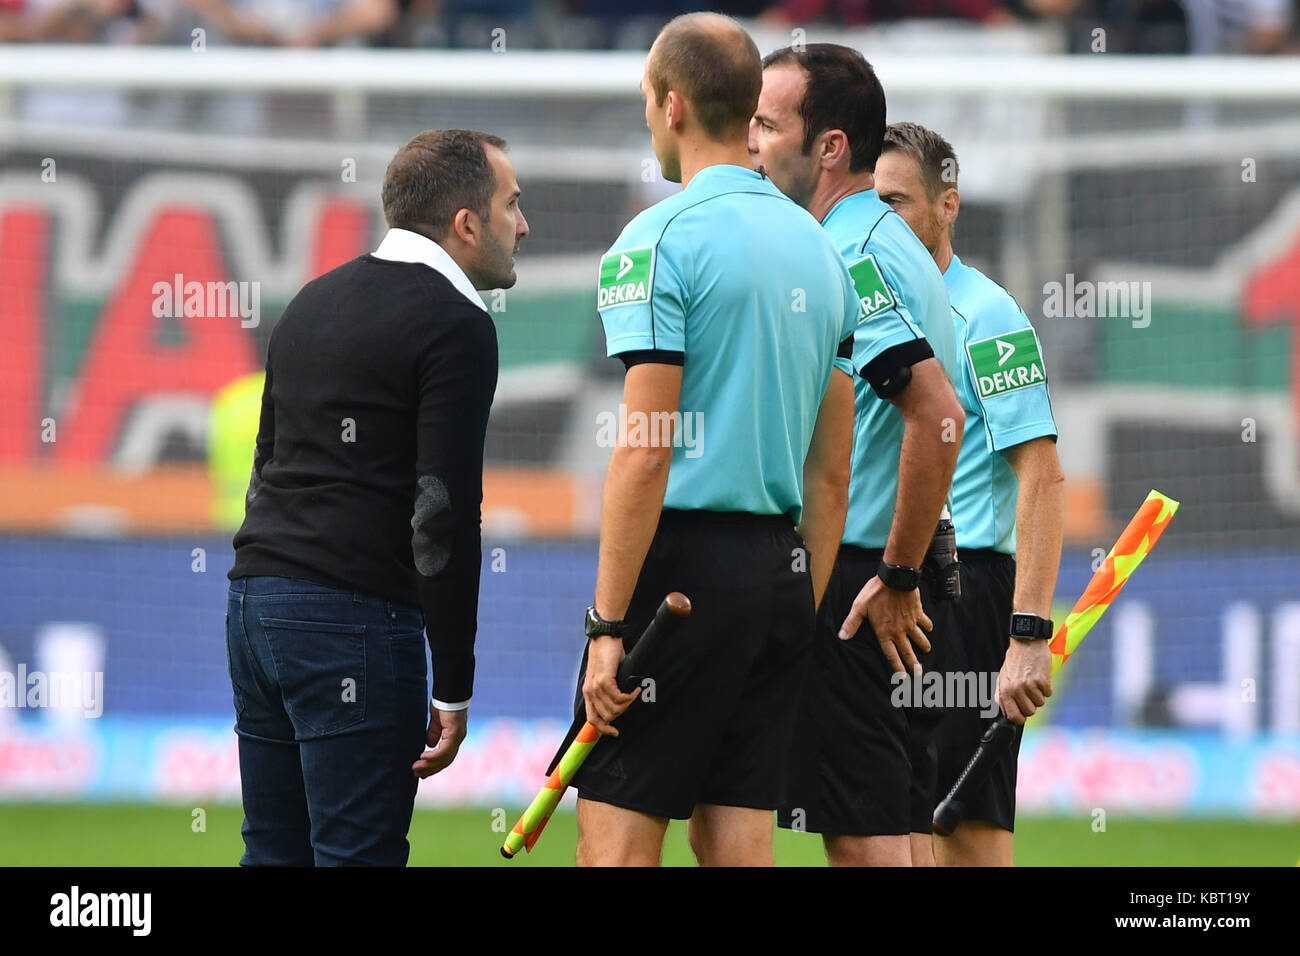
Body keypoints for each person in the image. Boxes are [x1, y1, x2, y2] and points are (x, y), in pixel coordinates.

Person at [563, 12, 859, 867]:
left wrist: (607, 623)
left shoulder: (655, 240)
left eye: (646, 101)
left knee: (615, 847)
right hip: (781, 573)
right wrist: (797, 605)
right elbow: (831, 474)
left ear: (673, 105)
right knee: (738, 845)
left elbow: (647, 446)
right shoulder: (822, 252)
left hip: (677, 582)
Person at [225, 128, 527, 866]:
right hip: (350, 624)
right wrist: (453, 685)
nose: (523, 225)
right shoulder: (458, 323)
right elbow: (441, 512)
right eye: (512, 205)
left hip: (254, 606)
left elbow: (265, 469)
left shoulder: (310, 301)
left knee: (272, 856)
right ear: (466, 223)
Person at [750, 43, 966, 867]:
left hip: (865, 575)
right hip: (895, 566)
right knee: (899, 824)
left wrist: (897, 576)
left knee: (862, 837)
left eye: (768, 124)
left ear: (830, 146)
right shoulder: (885, 238)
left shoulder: (850, 254)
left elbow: (936, 416)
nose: (751, 142)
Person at [875, 121, 1064, 866]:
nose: (881, 221)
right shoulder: (859, 305)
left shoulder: (987, 318)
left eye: (897, 201)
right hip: (879, 584)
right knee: (885, 828)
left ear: (946, 206)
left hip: (963, 594)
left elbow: (1041, 474)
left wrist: (1028, 633)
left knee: (964, 836)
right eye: (870, 203)